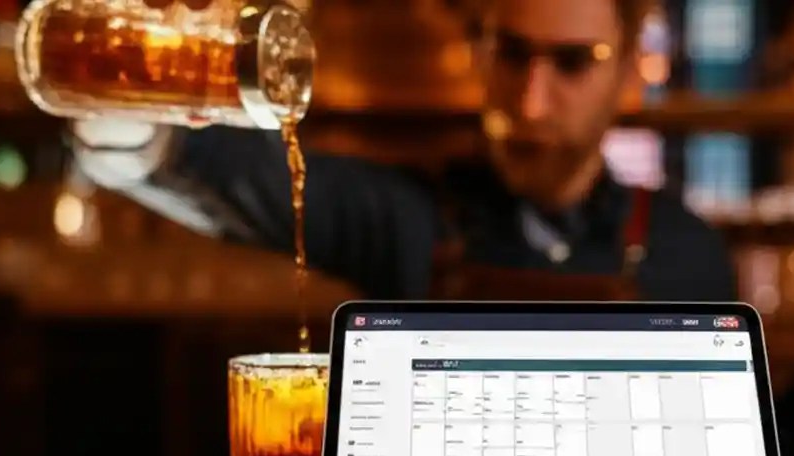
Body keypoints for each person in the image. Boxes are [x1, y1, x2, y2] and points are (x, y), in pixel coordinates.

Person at [73, 0, 735, 302]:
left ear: (625, 75)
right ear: (480, 54)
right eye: (511, 54)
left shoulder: (689, 253)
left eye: (572, 62)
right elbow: (234, 178)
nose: (531, 103)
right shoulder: (411, 214)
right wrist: (122, 117)